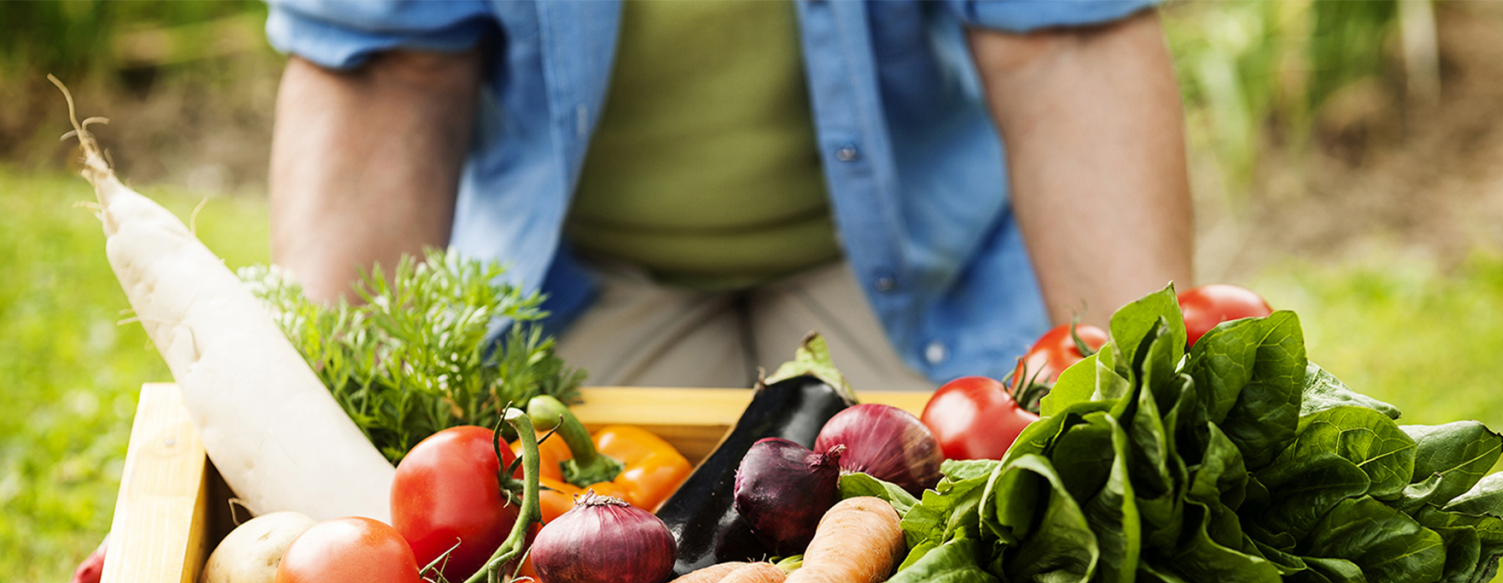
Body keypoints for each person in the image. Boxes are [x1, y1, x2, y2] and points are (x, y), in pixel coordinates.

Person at [264, 0, 1193, 391]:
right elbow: (393, 70)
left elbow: (1060, 44)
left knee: (989, 557)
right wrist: (317, 425)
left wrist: (1152, 404)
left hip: (919, 261)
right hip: (576, 273)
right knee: (573, 567)